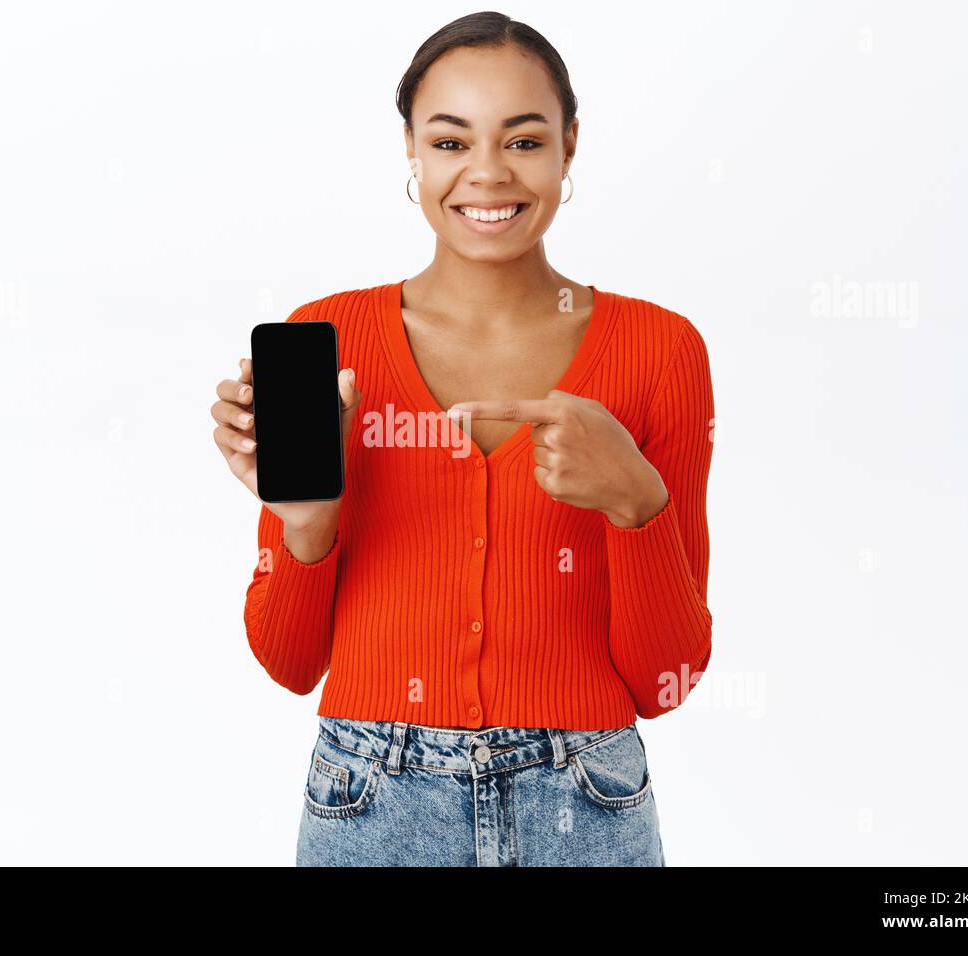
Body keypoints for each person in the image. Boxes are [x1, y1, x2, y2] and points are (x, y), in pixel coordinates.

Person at [211, 11, 715, 866]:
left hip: (586, 799)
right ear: (410, 148)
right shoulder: (329, 340)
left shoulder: (660, 351)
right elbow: (291, 665)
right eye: (450, 143)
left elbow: (666, 680)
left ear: (570, 145)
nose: (486, 174)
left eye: (523, 141)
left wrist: (636, 504)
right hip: (370, 799)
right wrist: (307, 523)